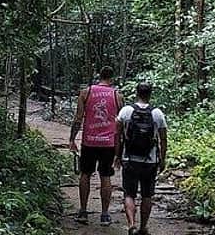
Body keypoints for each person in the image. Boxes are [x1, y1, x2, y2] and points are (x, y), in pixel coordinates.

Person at [69, 66, 124, 226]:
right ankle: (105, 214)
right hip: (108, 142)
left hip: (89, 141)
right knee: (105, 176)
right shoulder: (117, 95)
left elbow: (78, 118)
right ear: (112, 78)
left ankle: (83, 211)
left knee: (85, 174)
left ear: (99, 76)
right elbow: (121, 123)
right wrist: (120, 148)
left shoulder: (86, 92)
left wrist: (72, 139)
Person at [114, 82, 168, 235]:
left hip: (129, 159)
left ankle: (131, 225)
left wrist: (117, 155)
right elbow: (163, 139)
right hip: (150, 161)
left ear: (136, 93)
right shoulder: (157, 113)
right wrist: (162, 159)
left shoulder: (126, 111)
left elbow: (117, 135)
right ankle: (143, 227)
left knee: (129, 194)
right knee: (147, 195)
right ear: (150, 94)